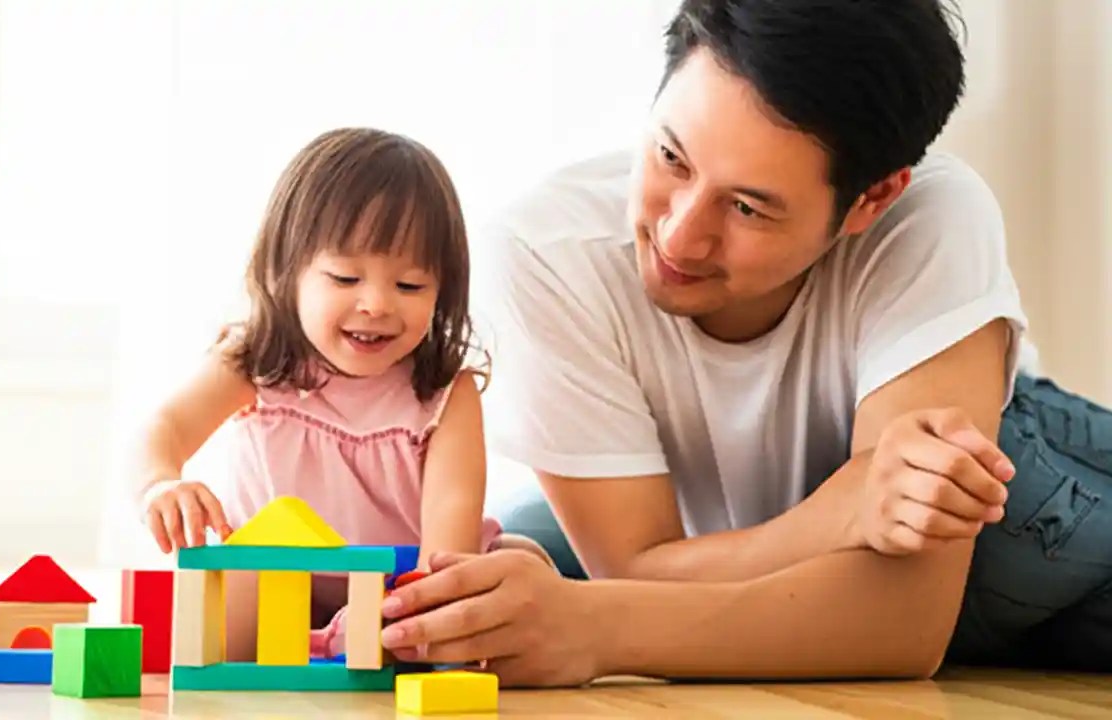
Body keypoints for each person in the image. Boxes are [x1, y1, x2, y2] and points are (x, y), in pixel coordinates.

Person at [375, 0, 1112, 686]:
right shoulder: (546, 251)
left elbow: (902, 622)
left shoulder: (930, 219)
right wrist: (840, 512)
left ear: (872, 199)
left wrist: (597, 626)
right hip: (735, 541)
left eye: (750, 207)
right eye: (671, 157)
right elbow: (631, 567)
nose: (678, 235)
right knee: (497, 564)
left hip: (1023, 507)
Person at [127, 127, 539, 659]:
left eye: (409, 286)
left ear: (443, 293)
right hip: (275, 579)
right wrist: (159, 485)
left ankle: (375, 641)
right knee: (215, 608)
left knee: (520, 568)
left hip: (399, 579)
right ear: (287, 271)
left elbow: (450, 529)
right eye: (345, 278)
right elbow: (162, 428)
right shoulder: (254, 360)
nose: (376, 304)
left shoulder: (445, 393)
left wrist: (417, 610)